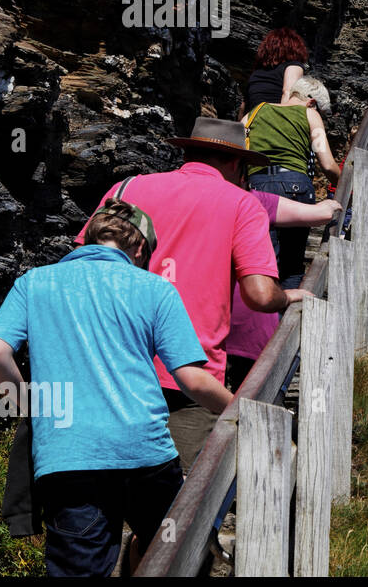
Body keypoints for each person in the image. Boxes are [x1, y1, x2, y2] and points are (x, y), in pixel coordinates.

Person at [0, 201, 233, 576]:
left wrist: (29, 403)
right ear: (141, 248)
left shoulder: (34, 282)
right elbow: (193, 380)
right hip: (144, 454)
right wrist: (240, 408)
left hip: (69, 457)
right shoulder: (156, 289)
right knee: (171, 553)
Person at [78, 118, 305, 471]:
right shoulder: (242, 204)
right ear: (236, 163)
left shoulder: (126, 187)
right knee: (181, 494)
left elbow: (81, 263)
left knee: (99, 485)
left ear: (188, 152)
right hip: (188, 375)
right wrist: (287, 297)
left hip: (105, 361)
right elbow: (260, 296)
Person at [223, 192, 341, 392]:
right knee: (250, 394)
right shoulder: (251, 200)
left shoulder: (177, 197)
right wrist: (331, 205)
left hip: (197, 324)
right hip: (250, 323)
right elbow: (320, 214)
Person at [244, 76, 340, 287]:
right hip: (295, 186)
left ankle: (264, 303)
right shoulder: (310, 114)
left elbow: (237, 149)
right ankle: (290, 305)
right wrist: (344, 183)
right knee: (292, 266)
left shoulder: (254, 112)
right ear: (312, 102)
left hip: (257, 188)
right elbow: (327, 163)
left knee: (263, 263)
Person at [241, 27, 308, 117]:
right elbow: (287, 92)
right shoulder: (293, 66)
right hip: (273, 118)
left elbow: (243, 106)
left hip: (253, 120)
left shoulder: (256, 73)